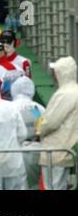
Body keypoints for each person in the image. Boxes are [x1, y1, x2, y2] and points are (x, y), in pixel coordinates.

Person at [36, 56, 78, 191]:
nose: (53, 75)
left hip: (55, 150)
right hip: (65, 149)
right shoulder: (73, 91)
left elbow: (51, 123)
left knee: (51, 186)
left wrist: (38, 131)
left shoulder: (65, 94)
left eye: (56, 71)